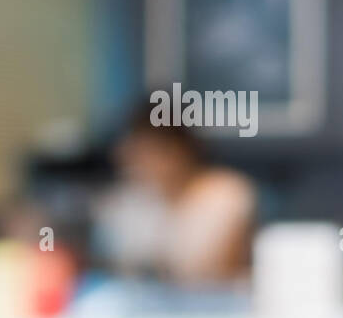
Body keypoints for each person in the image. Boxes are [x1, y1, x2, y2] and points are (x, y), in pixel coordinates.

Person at [98, 100, 256, 283]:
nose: (138, 160)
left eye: (151, 149)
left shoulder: (227, 194)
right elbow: (116, 270)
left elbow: (222, 274)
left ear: (181, 149)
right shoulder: (130, 201)